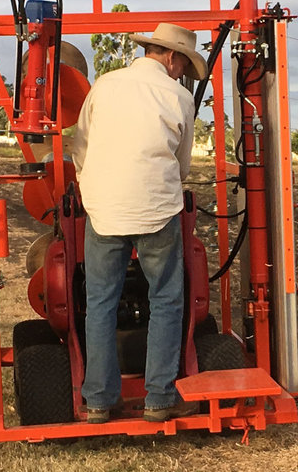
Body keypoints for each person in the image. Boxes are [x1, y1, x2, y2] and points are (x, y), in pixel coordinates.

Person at [69, 22, 208, 424]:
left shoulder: (105, 85)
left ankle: (97, 400)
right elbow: (180, 167)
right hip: (156, 212)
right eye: (183, 62)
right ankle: (159, 398)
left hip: (104, 210)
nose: (182, 71)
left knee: (100, 303)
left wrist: (95, 190)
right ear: (171, 56)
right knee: (165, 299)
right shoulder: (179, 97)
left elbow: (81, 147)